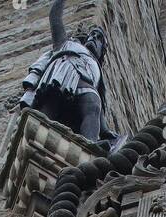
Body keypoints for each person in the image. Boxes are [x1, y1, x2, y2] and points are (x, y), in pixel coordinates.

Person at [19, 0, 118, 146]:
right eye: (92, 36)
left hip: (86, 86)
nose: (93, 39)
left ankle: (89, 144)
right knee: (49, 108)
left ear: (101, 51)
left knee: (93, 105)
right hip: (61, 78)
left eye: (98, 39)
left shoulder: (97, 70)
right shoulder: (66, 44)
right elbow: (55, 18)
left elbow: (100, 108)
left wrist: (105, 131)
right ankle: (33, 136)